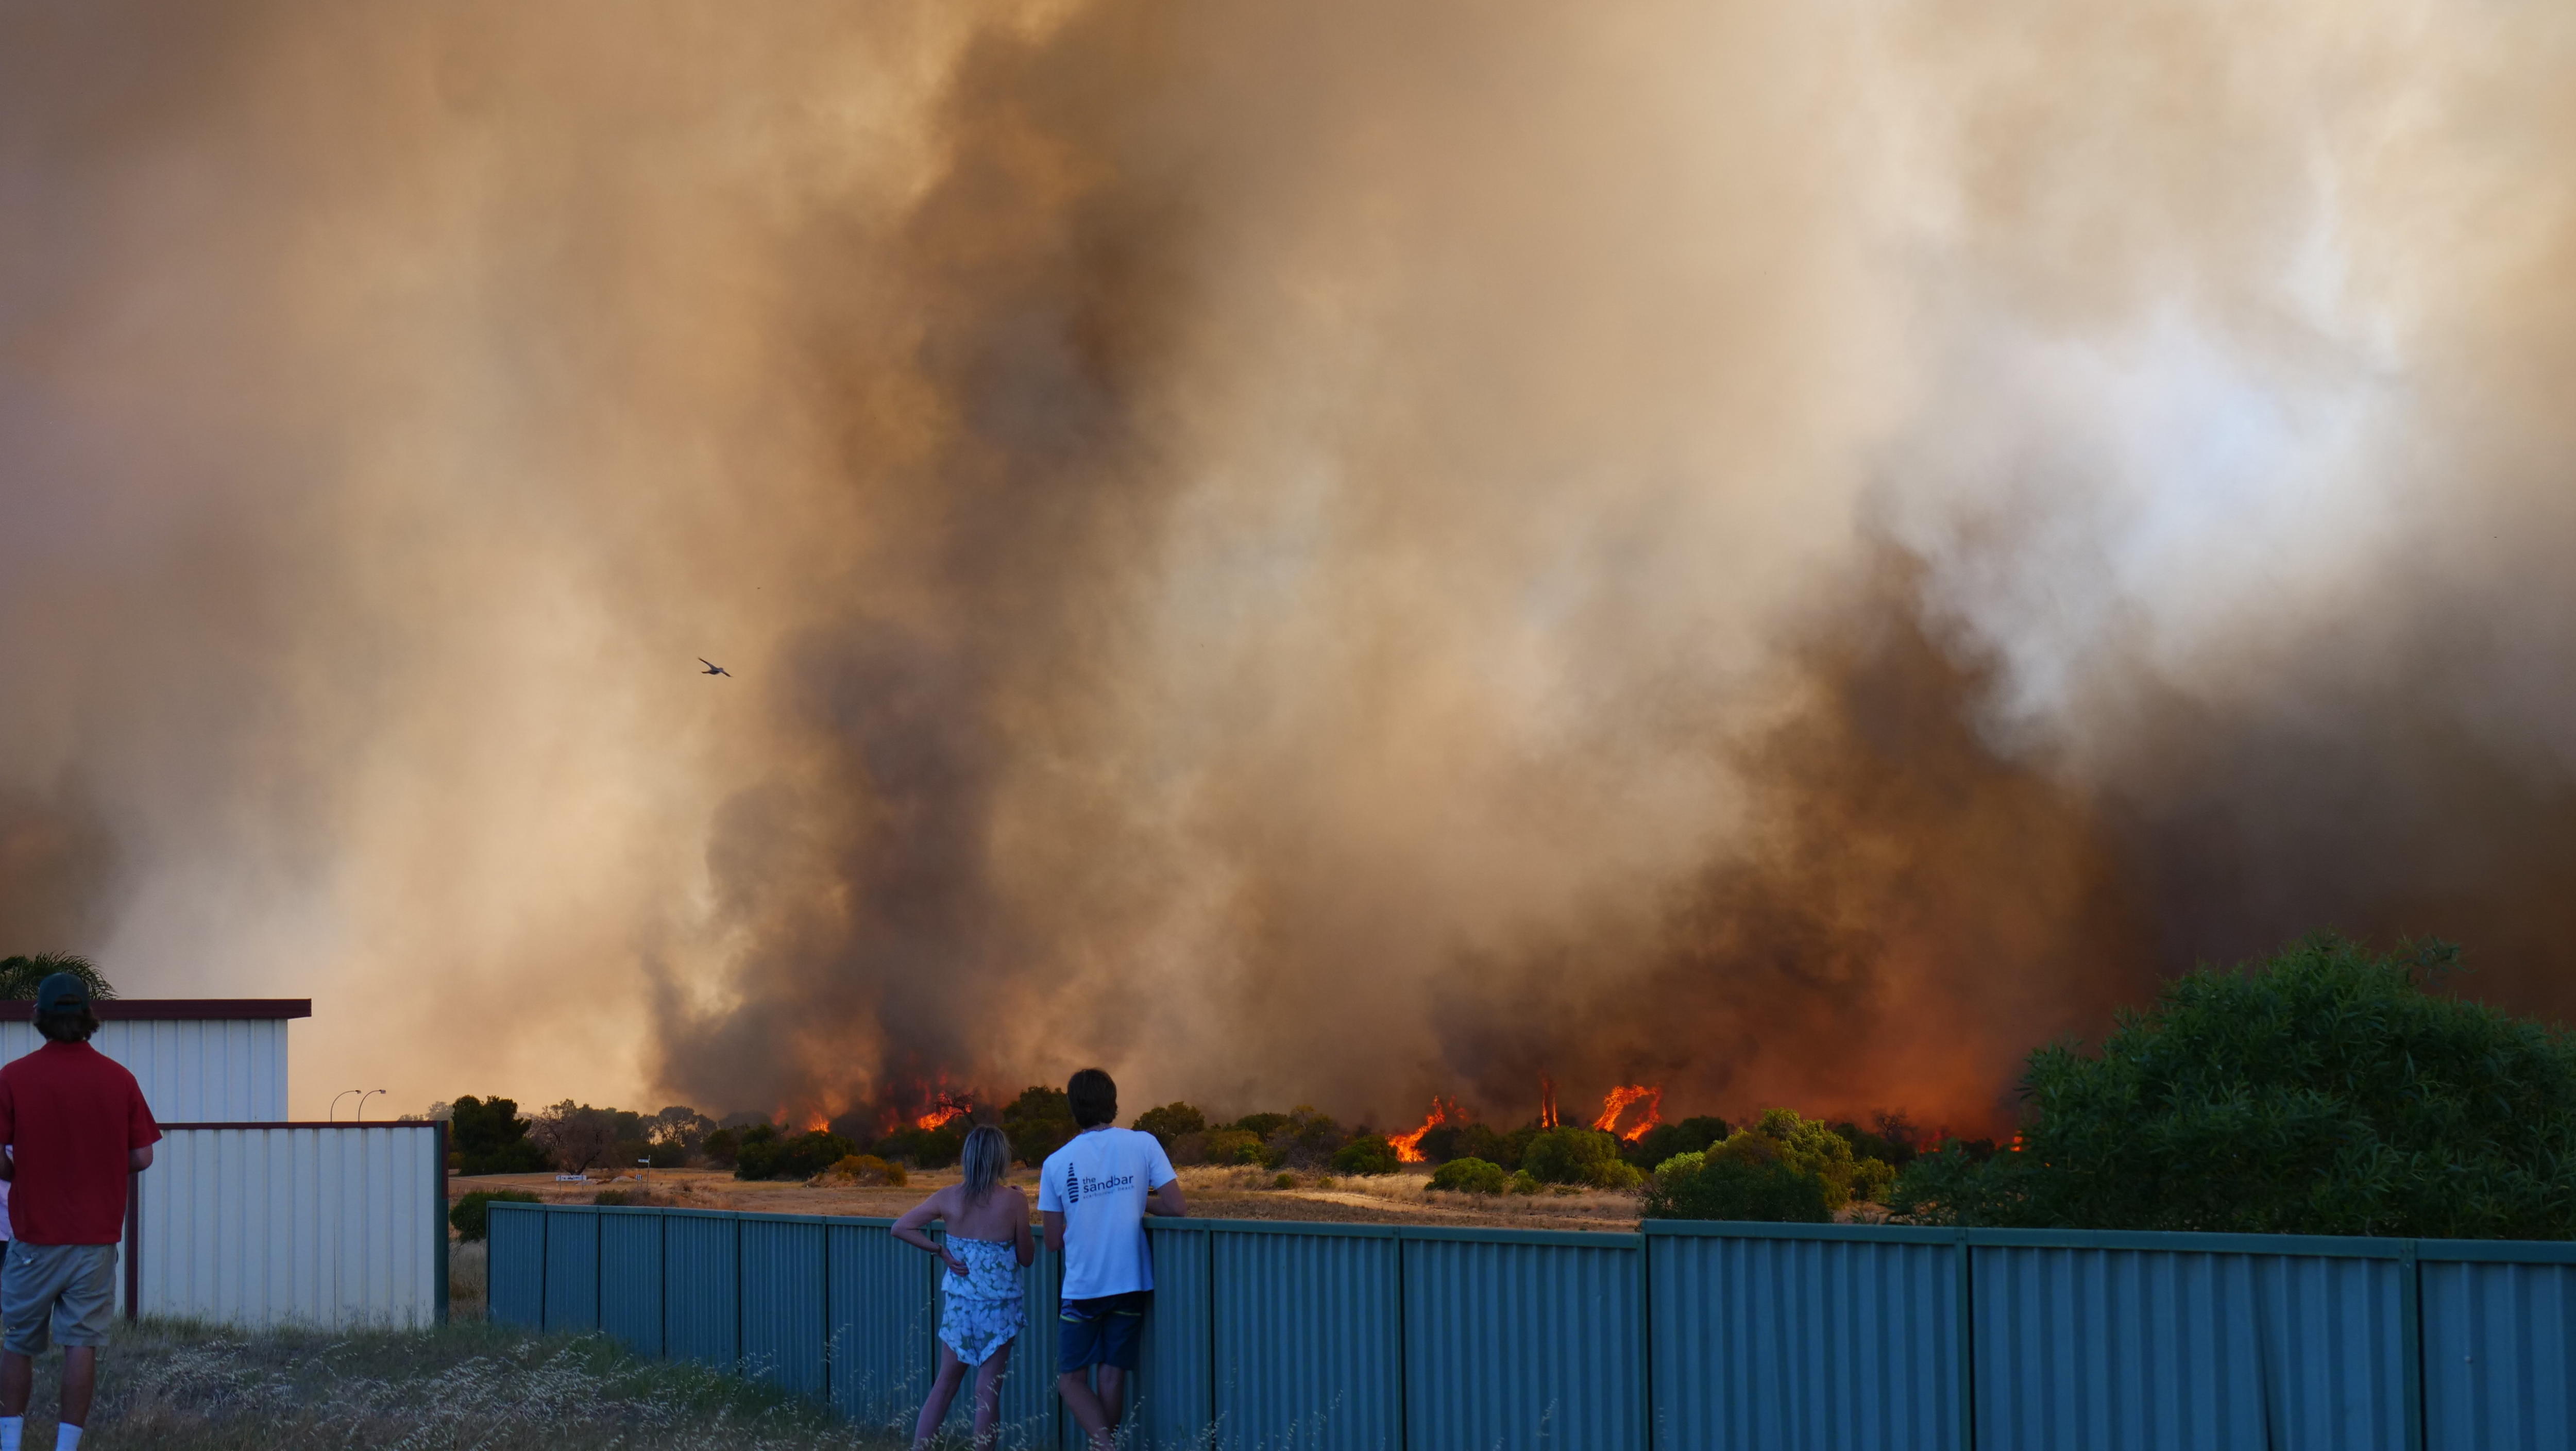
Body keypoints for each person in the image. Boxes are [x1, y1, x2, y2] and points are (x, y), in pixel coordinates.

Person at [0, 974, 159, 1451]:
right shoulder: (119, 1078)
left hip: (33, 1236)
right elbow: (144, 1156)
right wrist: (103, 1168)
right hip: (96, 1239)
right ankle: (66, 1447)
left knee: (18, 1342)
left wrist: (18, 1174)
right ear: (88, 1018)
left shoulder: (12, 1077)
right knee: (80, 1344)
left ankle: (10, 1444)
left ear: (41, 1019)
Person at [1038, 1068, 1184, 1450]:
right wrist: (1135, 1199)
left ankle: (1105, 1445)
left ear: (1073, 1108)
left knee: (1070, 1380)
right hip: (1132, 1282)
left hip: (1084, 1287)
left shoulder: (1056, 1163)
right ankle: (1108, 1444)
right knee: (1112, 1374)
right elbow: (1176, 1206)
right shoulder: (1143, 1143)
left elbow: (1052, 1241)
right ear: (1113, 1103)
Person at [890, 1125, 1032, 1451]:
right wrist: (1022, 1209)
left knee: (944, 1385)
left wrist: (940, 1251)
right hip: (1000, 1309)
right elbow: (1026, 1258)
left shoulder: (948, 1197)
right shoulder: (1013, 1201)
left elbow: (901, 1227)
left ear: (968, 1158)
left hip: (960, 1305)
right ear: (1001, 1159)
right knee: (987, 1391)